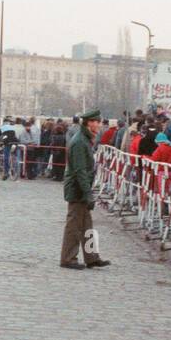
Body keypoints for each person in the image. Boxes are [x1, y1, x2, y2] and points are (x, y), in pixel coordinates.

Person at [60, 108, 109, 270]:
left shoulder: (85, 139)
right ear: (90, 123)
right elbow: (80, 170)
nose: (100, 125)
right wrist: (88, 194)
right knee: (74, 225)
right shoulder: (80, 141)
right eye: (98, 122)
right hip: (77, 188)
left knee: (87, 225)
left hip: (82, 187)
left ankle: (92, 257)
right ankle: (68, 258)